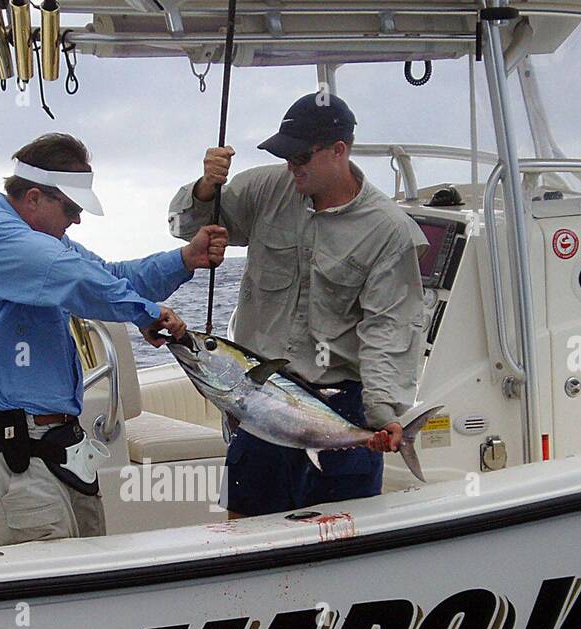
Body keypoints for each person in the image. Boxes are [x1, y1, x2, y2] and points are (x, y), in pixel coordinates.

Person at [0, 133, 227, 547]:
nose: (76, 220)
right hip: (12, 460)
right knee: (44, 592)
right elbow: (75, 278)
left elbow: (109, 279)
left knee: (89, 575)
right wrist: (146, 312)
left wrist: (185, 259)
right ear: (35, 197)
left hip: (61, 450)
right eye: (72, 208)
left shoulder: (48, 242)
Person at [168, 91, 429, 517]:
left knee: (341, 543)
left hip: (342, 403)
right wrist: (204, 188)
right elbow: (186, 226)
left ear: (339, 151)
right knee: (244, 536)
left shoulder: (388, 231)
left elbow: (390, 329)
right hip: (260, 401)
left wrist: (382, 414)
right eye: (285, 155)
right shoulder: (264, 189)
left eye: (301, 156)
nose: (292, 166)